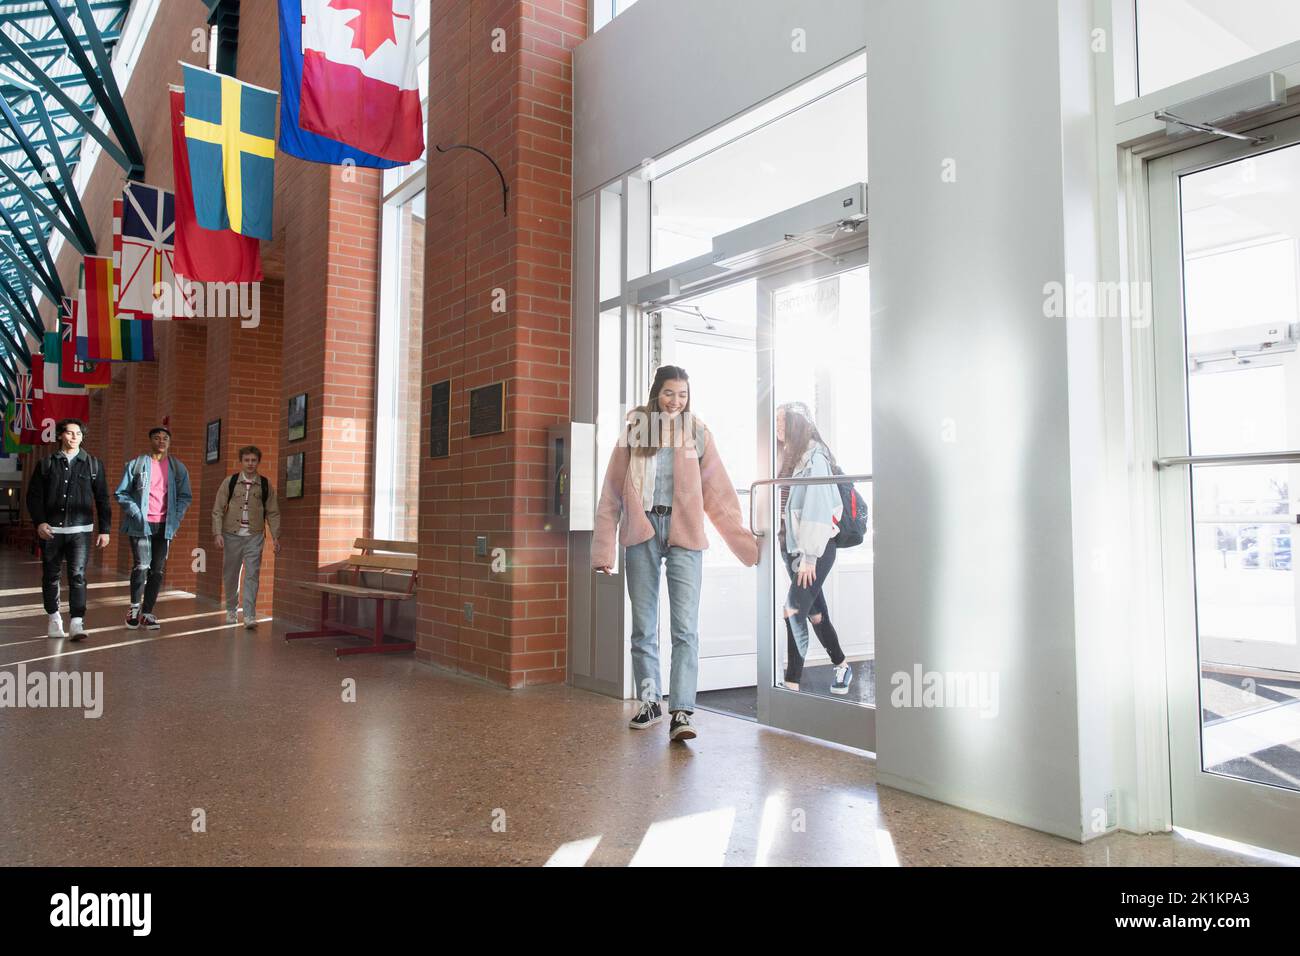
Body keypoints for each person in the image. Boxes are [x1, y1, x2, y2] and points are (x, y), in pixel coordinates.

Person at [592, 365, 759, 742]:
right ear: (656, 393)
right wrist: (604, 549)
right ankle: (649, 701)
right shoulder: (635, 432)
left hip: (684, 533)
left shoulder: (698, 433)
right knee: (643, 626)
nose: (676, 401)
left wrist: (747, 546)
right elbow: (611, 492)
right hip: (643, 531)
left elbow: (718, 493)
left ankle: (682, 710)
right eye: (670, 393)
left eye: (682, 395)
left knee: (685, 629)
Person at [776, 402, 852, 695]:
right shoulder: (790, 457)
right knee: (815, 614)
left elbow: (818, 510)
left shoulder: (814, 458)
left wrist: (809, 557)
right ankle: (842, 665)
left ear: (796, 424)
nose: (778, 428)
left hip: (814, 551)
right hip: (794, 550)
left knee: (793, 609)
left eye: (782, 423)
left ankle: (791, 685)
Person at [25, 419, 112, 640]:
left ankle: (77, 622)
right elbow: (34, 497)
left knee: (78, 575)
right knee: (51, 576)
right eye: (70, 433)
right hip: (51, 531)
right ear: (61, 436)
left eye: (79, 434)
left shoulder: (93, 464)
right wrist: (40, 522)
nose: (75, 437)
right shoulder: (46, 464)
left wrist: (105, 529)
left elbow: (102, 499)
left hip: (80, 532)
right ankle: (54, 619)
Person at [115, 426, 192, 630]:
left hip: (165, 525)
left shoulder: (177, 467)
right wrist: (136, 513)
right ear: (151, 441)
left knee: (157, 570)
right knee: (141, 565)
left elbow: (185, 496)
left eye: (165, 438)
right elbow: (121, 493)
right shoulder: (137, 464)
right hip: (141, 523)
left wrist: (176, 518)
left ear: (169, 442)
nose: (161, 441)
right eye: (157, 438)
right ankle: (134, 608)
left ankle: (147, 612)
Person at [212, 445, 281, 630]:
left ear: (258, 462)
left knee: (252, 575)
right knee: (231, 574)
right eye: (247, 460)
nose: (250, 464)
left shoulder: (265, 484)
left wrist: (275, 537)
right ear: (241, 461)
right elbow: (218, 510)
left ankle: (249, 615)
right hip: (231, 535)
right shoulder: (230, 481)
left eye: (254, 460)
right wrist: (217, 533)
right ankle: (231, 609)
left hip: (255, 536)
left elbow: (273, 513)